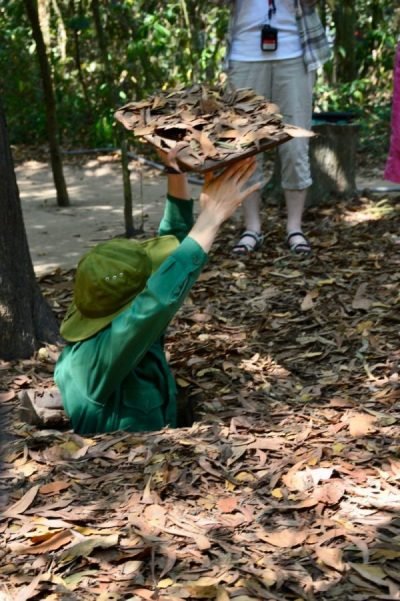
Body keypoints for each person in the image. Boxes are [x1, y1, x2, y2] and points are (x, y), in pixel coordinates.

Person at [48, 157, 260, 435]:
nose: (156, 281)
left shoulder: (115, 322)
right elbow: (157, 300)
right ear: (131, 305)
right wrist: (212, 217)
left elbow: (171, 249)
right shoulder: (93, 361)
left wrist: (176, 169)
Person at [220, 0, 331, 254]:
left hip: (294, 54)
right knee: (246, 148)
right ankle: (252, 229)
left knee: (295, 146)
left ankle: (294, 228)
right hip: (244, 54)